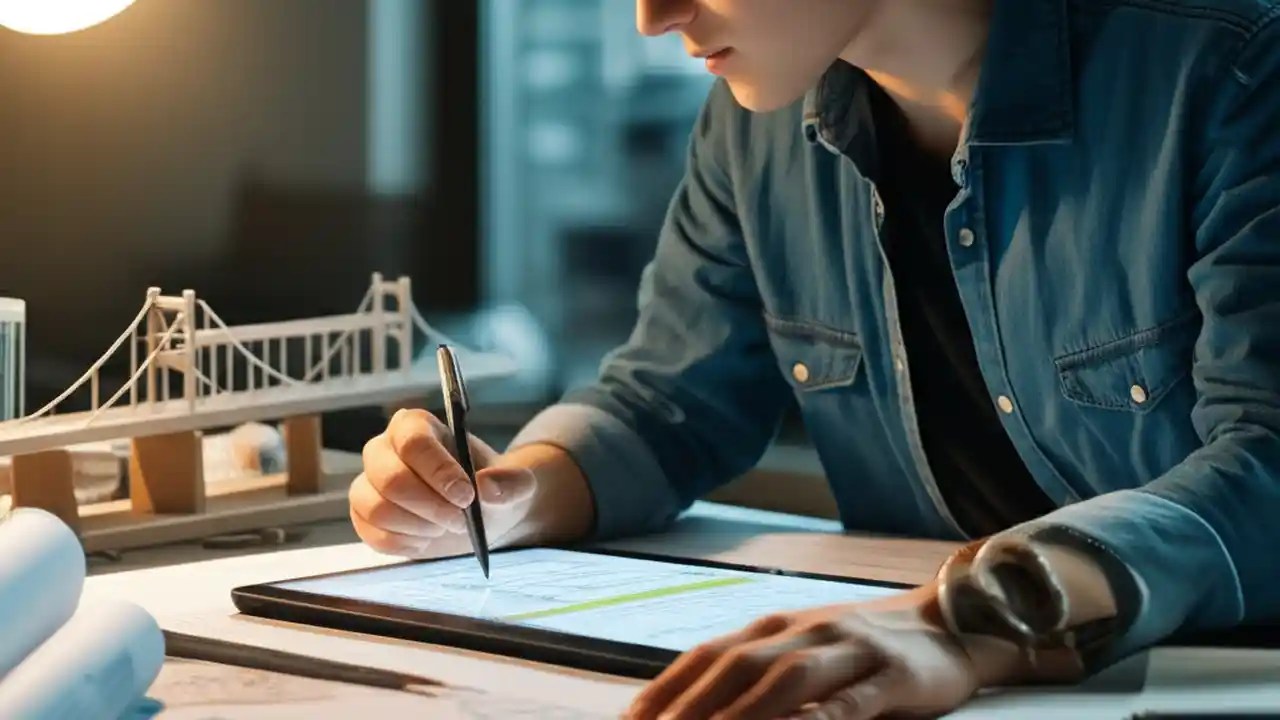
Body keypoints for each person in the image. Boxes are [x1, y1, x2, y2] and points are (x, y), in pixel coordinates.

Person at [350, 0, 1280, 717]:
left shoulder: (1235, 70)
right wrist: (507, 497)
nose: (651, 17)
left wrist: (963, 623)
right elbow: (671, 398)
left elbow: (1267, 466)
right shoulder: (754, 124)